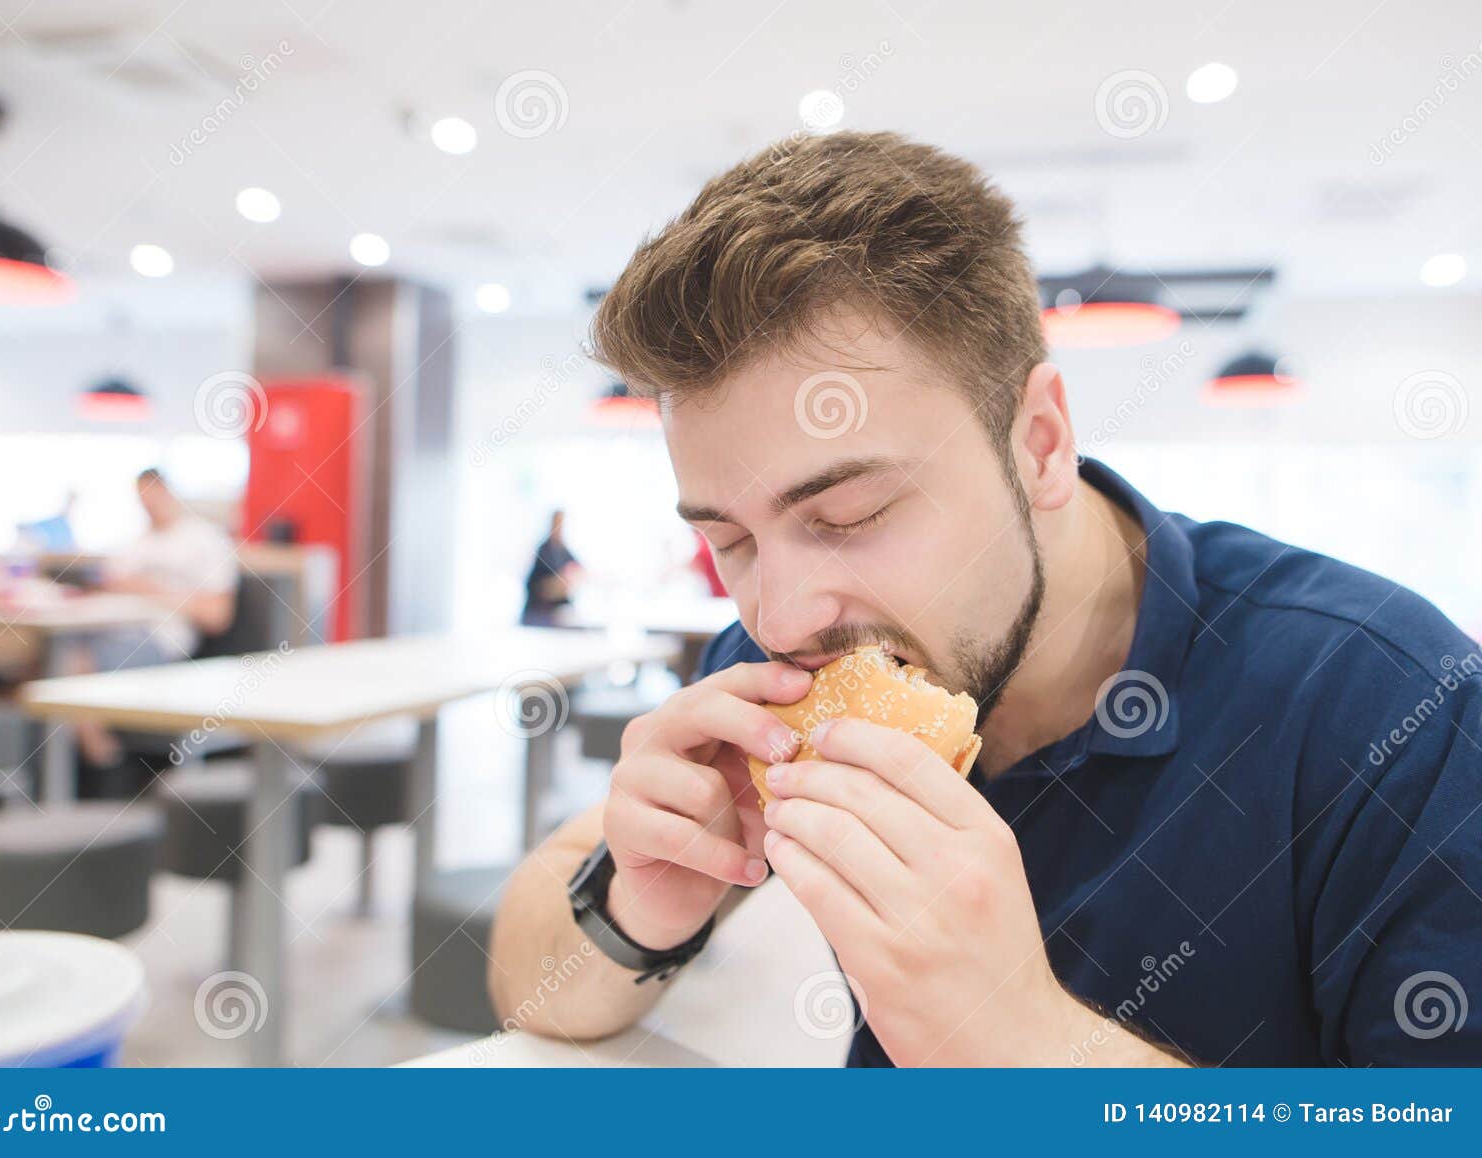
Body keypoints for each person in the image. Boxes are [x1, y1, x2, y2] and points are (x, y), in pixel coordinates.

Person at [487, 132, 1482, 1067]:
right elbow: (526, 992)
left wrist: (1025, 1042)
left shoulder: (1389, 705)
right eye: (729, 539)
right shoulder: (778, 672)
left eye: (847, 513)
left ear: (1039, 443)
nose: (780, 614)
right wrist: (629, 913)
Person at [68, 468, 238, 768]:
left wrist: (150, 591)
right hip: (110, 628)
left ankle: (100, 756)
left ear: (168, 492)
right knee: (53, 654)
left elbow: (217, 615)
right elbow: (109, 583)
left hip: (162, 639)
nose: (148, 504)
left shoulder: (202, 540)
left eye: (153, 494)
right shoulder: (136, 543)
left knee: (75, 661)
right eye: (141, 497)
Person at [519, 509, 581, 626]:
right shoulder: (543, 550)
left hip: (558, 614)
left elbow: (579, 569)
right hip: (539, 615)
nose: (560, 527)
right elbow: (536, 586)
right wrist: (555, 586)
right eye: (558, 523)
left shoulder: (563, 550)